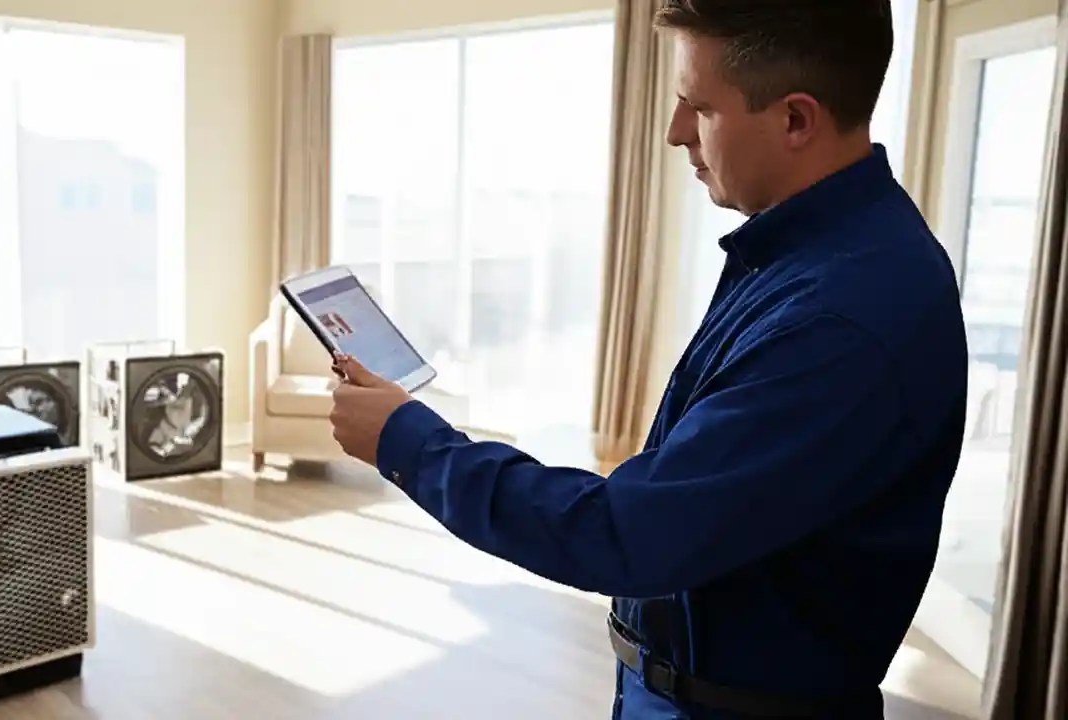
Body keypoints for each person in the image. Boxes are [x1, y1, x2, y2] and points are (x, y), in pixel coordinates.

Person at [327, 0, 968, 717]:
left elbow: (627, 534)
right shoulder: (804, 258)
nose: (674, 134)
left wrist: (408, 442)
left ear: (795, 119)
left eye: (701, 109)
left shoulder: (843, 318)